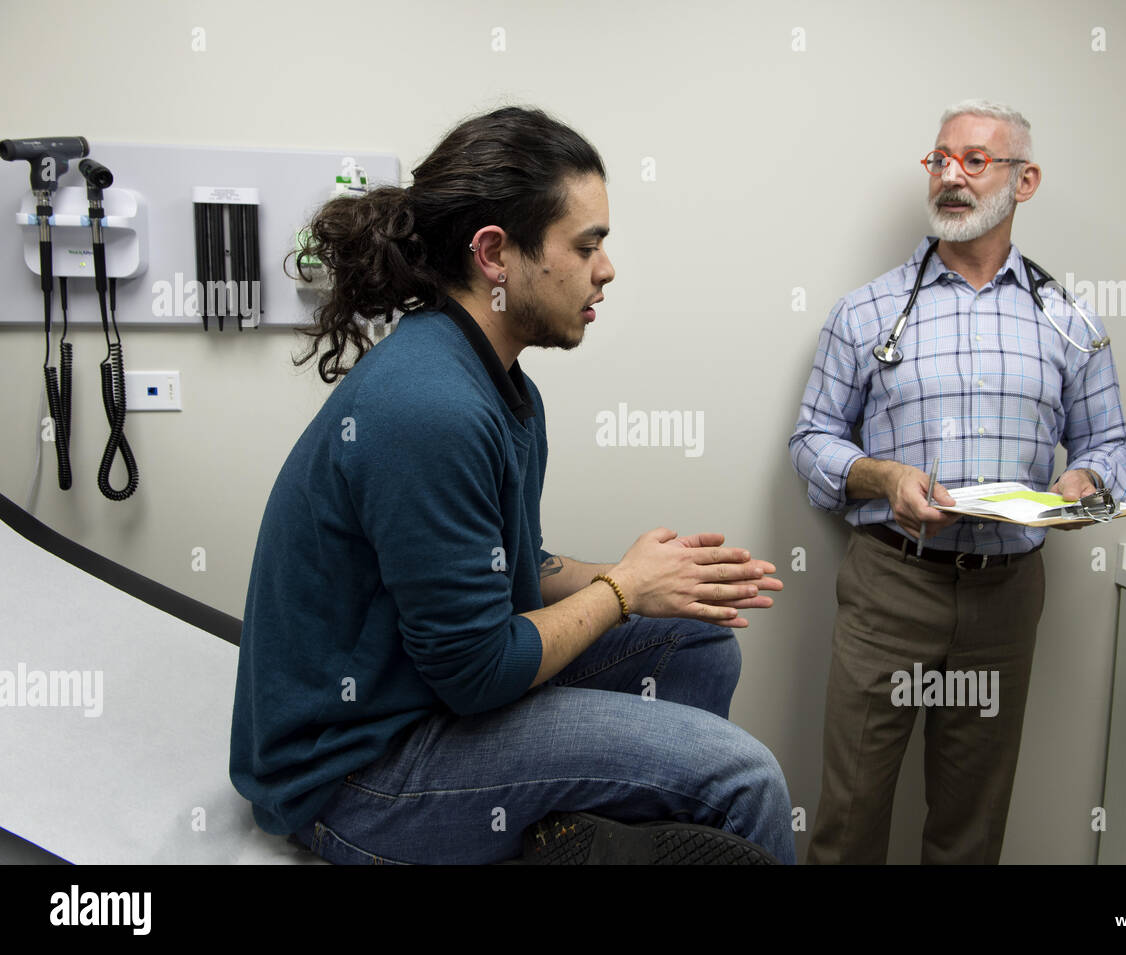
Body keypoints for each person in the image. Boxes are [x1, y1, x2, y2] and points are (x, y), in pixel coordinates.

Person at [229, 106, 795, 865]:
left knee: (696, 644)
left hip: (419, 700)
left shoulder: (498, 383)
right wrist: (623, 588)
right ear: (496, 254)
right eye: (586, 245)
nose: (607, 268)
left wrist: (646, 577)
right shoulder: (430, 405)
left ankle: (612, 839)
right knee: (745, 777)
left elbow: (504, 566)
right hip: (355, 775)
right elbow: (476, 671)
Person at [788, 100, 1126, 864]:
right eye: (940, 159)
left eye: (975, 160)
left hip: (1006, 596)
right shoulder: (867, 311)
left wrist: (1084, 478)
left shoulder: (1069, 320)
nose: (951, 175)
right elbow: (811, 439)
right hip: (890, 585)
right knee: (847, 821)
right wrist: (881, 475)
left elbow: (1110, 442)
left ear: (1025, 179)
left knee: (971, 831)